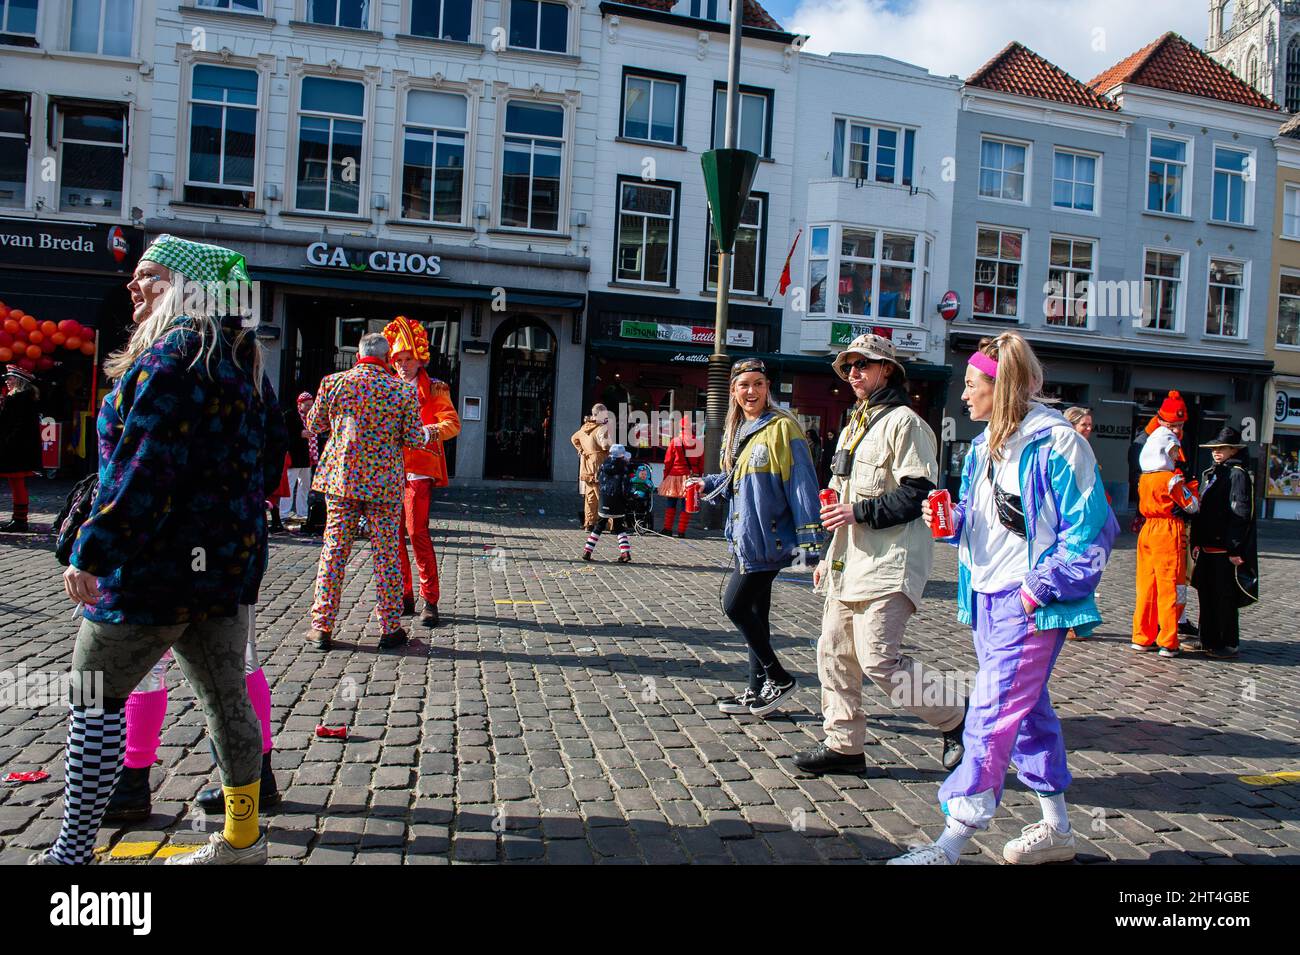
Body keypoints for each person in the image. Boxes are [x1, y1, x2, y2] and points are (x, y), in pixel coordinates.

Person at [32, 235, 285, 865]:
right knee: (228, 702)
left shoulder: (172, 357)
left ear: (181, 286)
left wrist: (93, 550)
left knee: (93, 697)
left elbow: (145, 470)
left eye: (146, 275)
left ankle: (70, 855)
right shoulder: (241, 358)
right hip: (221, 569)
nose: (132, 286)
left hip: (154, 570)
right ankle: (242, 838)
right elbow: (272, 457)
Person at [890, 333, 1117, 865]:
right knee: (1028, 711)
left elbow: (1091, 529)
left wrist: (1042, 586)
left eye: (972, 385)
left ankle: (952, 842)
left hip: (1029, 601)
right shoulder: (981, 445)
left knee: (989, 712)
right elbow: (979, 514)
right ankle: (1057, 829)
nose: (964, 396)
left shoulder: (1059, 442)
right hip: (985, 596)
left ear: (1003, 386)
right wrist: (951, 522)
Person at [796, 334, 966, 775]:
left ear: (886, 370)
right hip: (847, 562)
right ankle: (844, 747)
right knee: (832, 653)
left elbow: (919, 494)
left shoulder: (906, 423)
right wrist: (827, 558)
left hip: (892, 561)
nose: (853, 372)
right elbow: (841, 499)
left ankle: (958, 718)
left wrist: (858, 511)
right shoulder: (855, 423)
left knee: (877, 658)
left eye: (863, 365)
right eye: (848, 366)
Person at [691, 358, 822, 718]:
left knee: (733, 605)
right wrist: (707, 483)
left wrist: (811, 542)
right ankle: (756, 690)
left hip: (770, 537)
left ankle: (778, 678)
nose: (751, 391)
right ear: (733, 391)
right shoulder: (738, 429)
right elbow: (735, 478)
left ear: (768, 389)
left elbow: (802, 484)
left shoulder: (783, 427)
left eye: (759, 384)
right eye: (744, 385)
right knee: (755, 613)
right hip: (745, 534)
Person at [305, 333, 436, 652]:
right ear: (386, 357)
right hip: (383, 484)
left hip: (342, 481)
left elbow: (315, 423)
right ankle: (390, 628)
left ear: (359, 355)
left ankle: (322, 626)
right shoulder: (401, 389)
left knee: (334, 550)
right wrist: (428, 432)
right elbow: (413, 437)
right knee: (386, 553)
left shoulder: (334, 382)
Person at [384, 315, 461, 628]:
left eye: (408, 359)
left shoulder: (436, 389)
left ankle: (430, 599)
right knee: (393, 534)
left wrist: (425, 432)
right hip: (389, 469)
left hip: (418, 470)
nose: (402, 365)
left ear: (419, 359)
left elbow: (452, 424)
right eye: (398, 359)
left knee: (417, 532)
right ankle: (404, 595)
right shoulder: (386, 387)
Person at [1132, 391, 1199, 658]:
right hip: (1168, 530)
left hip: (1147, 529)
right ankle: (1168, 640)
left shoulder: (1145, 477)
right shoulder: (1171, 479)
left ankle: (1141, 635)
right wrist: (1192, 490)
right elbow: (1192, 505)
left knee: (1145, 585)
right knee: (1171, 585)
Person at [1188, 426, 1257, 659]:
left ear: (1233, 450)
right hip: (1208, 546)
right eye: (1215, 448)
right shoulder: (1213, 473)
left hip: (1223, 549)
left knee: (1223, 597)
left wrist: (1235, 547)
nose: (1217, 452)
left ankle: (1227, 642)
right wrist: (1196, 541)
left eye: (1222, 448)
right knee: (1206, 594)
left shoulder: (1237, 474)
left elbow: (1240, 511)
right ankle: (1207, 638)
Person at [0, 364, 41, 533]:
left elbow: (13, 425)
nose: (7, 381)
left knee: (16, 482)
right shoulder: (24, 398)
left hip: (14, 449)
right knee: (17, 483)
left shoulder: (19, 399)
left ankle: (20, 520)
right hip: (18, 448)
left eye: (10, 378)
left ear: (19, 381)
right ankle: (19, 519)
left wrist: (6, 443)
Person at [584, 444, 634, 562]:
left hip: (604, 499)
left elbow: (598, 479)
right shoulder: (624, 468)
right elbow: (625, 487)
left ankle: (587, 551)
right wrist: (629, 498)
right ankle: (625, 553)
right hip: (618, 501)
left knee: (599, 526)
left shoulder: (603, 465)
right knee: (619, 527)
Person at [659, 417, 704, 537]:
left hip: (674, 475)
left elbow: (668, 461)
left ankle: (667, 529)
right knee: (687, 504)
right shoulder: (698, 442)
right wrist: (699, 477)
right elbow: (701, 462)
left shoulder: (675, 441)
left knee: (671, 502)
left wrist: (665, 476)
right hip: (691, 476)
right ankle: (681, 531)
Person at [572, 403, 612, 530]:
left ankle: (589, 523)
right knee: (604, 495)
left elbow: (574, 438)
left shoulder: (584, 428)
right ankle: (612, 524)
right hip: (600, 464)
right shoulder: (602, 428)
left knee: (590, 496)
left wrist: (582, 450)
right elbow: (605, 446)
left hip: (587, 464)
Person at [282, 393, 317, 523]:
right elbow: (284, 433)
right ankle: (284, 513)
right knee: (290, 485)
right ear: (299, 404)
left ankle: (302, 512)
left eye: (310, 405)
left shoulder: (312, 417)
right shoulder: (290, 415)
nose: (309, 407)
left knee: (305, 486)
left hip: (307, 456)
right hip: (294, 455)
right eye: (306, 405)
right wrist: (299, 434)